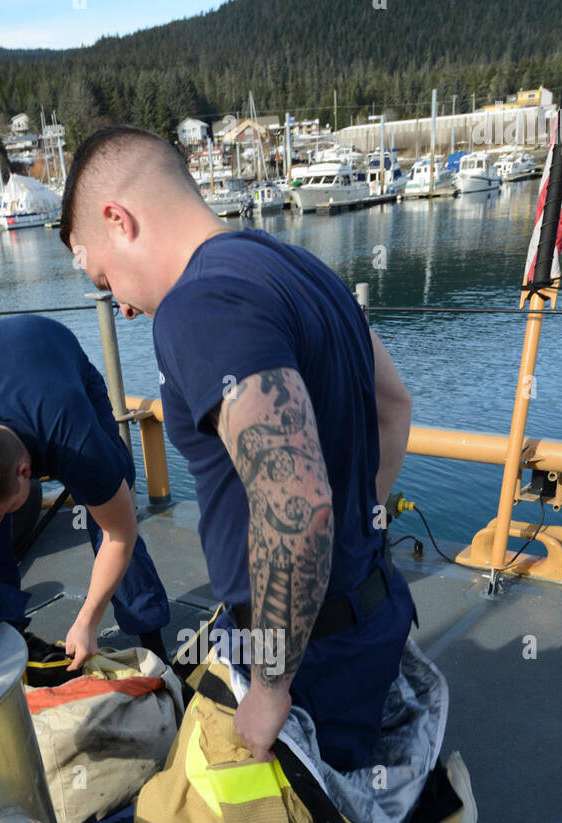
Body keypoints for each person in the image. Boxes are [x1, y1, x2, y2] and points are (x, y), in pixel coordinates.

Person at [60, 126, 415, 768]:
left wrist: (272, 684)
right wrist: (359, 529)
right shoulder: (298, 266)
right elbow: (393, 406)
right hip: (369, 609)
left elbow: (298, 504)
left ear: (118, 220)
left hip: (306, 662)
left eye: (105, 277)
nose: (124, 307)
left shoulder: (199, 307)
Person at [0, 314, 170, 667]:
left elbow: (121, 534)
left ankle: (152, 636)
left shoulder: (76, 441)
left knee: (112, 507)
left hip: (58, 360)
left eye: (4, 513)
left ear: (28, 473)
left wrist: (87, 622)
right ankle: (6, 641)